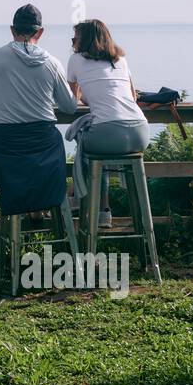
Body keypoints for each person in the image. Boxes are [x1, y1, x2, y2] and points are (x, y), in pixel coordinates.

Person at [0, 4, 77, 227]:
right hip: (44, 139)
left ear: (12, 29)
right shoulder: (52, 62)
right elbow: (69, 106)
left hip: (6, 141)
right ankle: (39, 210)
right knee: (44, 147)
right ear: (40, 32)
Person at [66, 18, 150, 228]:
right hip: (140, 131)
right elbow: (131, 96)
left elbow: (70, 102)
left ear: (83, 41)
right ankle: (103, 210)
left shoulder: (76, 60)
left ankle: (77, 196)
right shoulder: (120, 60)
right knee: (95, 147)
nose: (72, 42)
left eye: (74, 38)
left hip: (108, 133)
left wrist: (87, 97)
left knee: (85, 141)